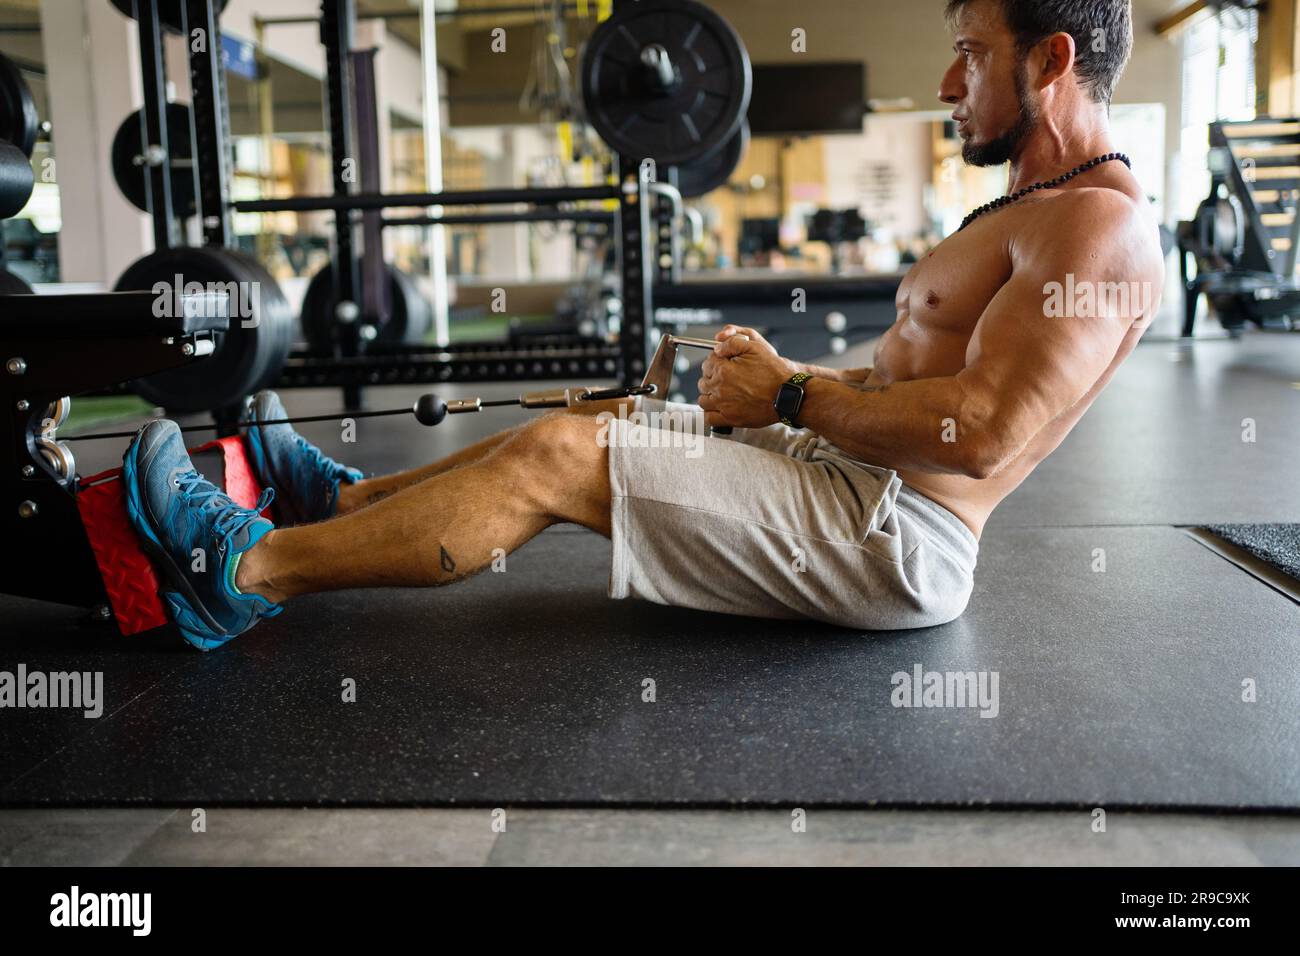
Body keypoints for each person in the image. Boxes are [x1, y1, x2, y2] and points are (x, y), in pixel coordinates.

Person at [123, 0, 1163, 650]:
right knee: (615, 407)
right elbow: (920, 377)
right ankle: (347, 496)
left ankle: (242, 574)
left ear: (1048, 60)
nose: (947, 81)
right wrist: (780, 374)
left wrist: (793, 397)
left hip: (894, 536)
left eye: (971, 53)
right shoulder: (1039, 204)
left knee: (560, 456)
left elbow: (979, 430)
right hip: (845, 468)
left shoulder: (1098, 230)